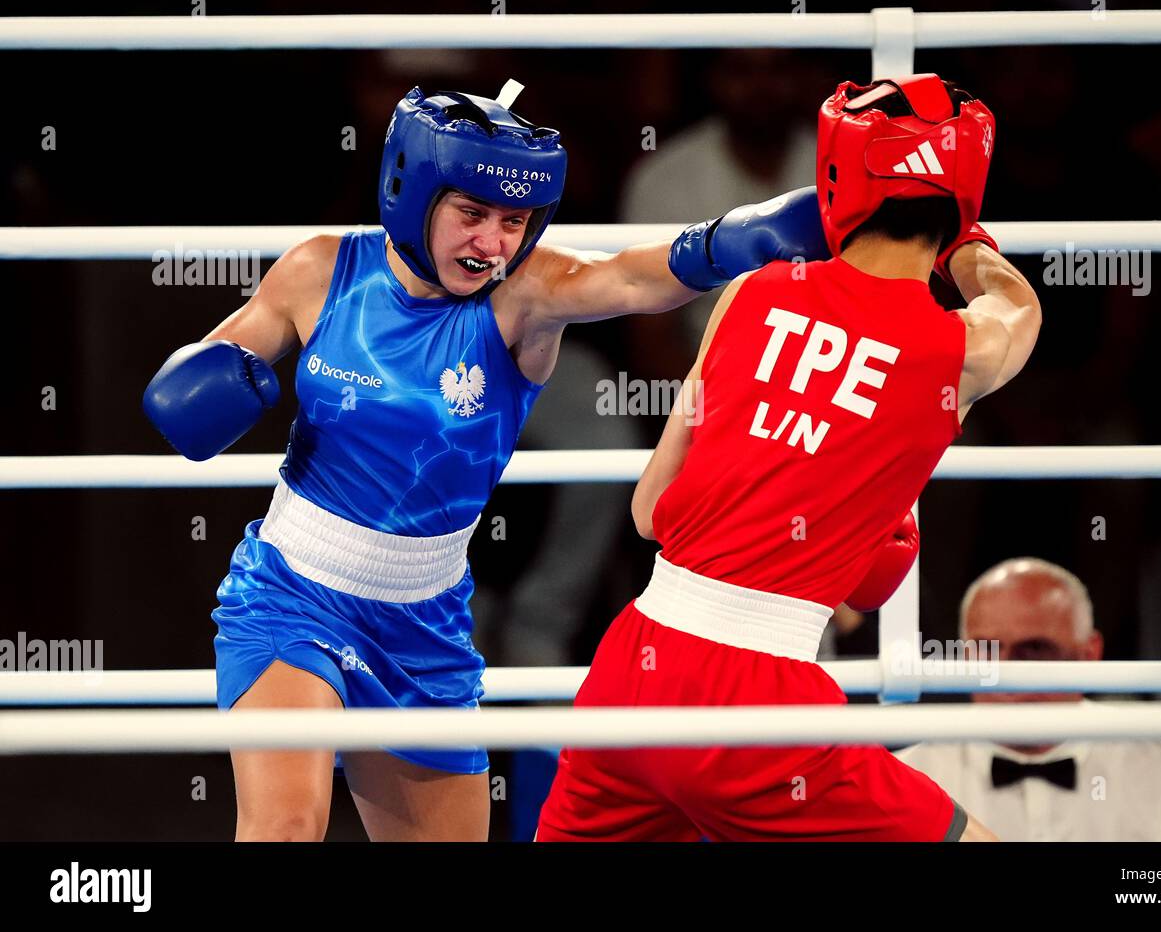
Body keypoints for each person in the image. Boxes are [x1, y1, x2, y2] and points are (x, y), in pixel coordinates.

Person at [142, 82, 826, 841]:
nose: (492, 242)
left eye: (513, 221)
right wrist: (207, 380)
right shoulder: (320, 271)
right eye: (472, 214)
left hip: (423, 625)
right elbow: (209, 367)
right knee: (287, 828)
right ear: (413, 192)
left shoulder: (523, 300)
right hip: (293, 595)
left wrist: (736, 241)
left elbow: (632, 276)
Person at [537, 74, 1042, 841]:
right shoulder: (962, 349)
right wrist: (970, 246)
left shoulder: (751, 292)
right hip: (760, 704)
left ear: (839, 175)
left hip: (631, 671)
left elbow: (648, 511)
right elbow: (1017, 306)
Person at [896, 558, 1161, 841]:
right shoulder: (909, 777)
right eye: (987, 651)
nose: (1006, 673)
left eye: (1033, 650)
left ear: (1088, 653)